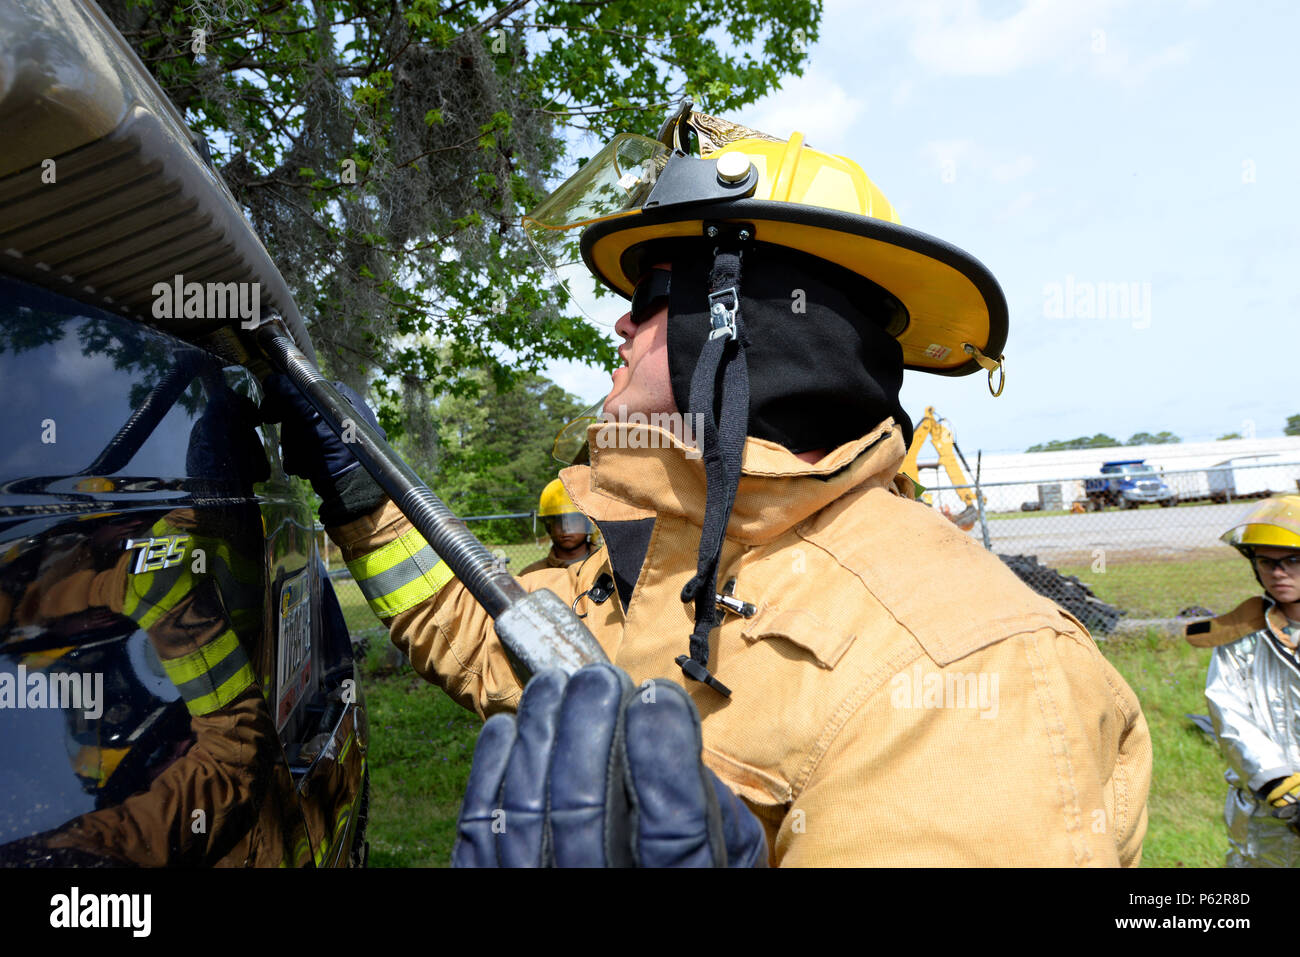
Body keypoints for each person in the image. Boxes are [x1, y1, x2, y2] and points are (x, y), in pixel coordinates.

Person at [269, 107, 1151, 866]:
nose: (619, 315)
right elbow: (492, 646)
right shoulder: (652, 558)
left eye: (653, 290)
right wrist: (362, 495)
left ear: (740, 320)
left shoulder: (968, 666)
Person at [1185, 494, 1300, 867]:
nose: (1278, 572)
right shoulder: (1240, 637)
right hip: (1270, 812)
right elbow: (1229, 713)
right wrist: (1278, 784)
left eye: (1292, 561)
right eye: (1266, 562)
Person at [517, 478, 594, 577]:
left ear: (587, 523)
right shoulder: (531, 575)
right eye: (558, 521)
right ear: (548, 526)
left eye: (573, 520)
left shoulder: (607, 566)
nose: (565, 528)